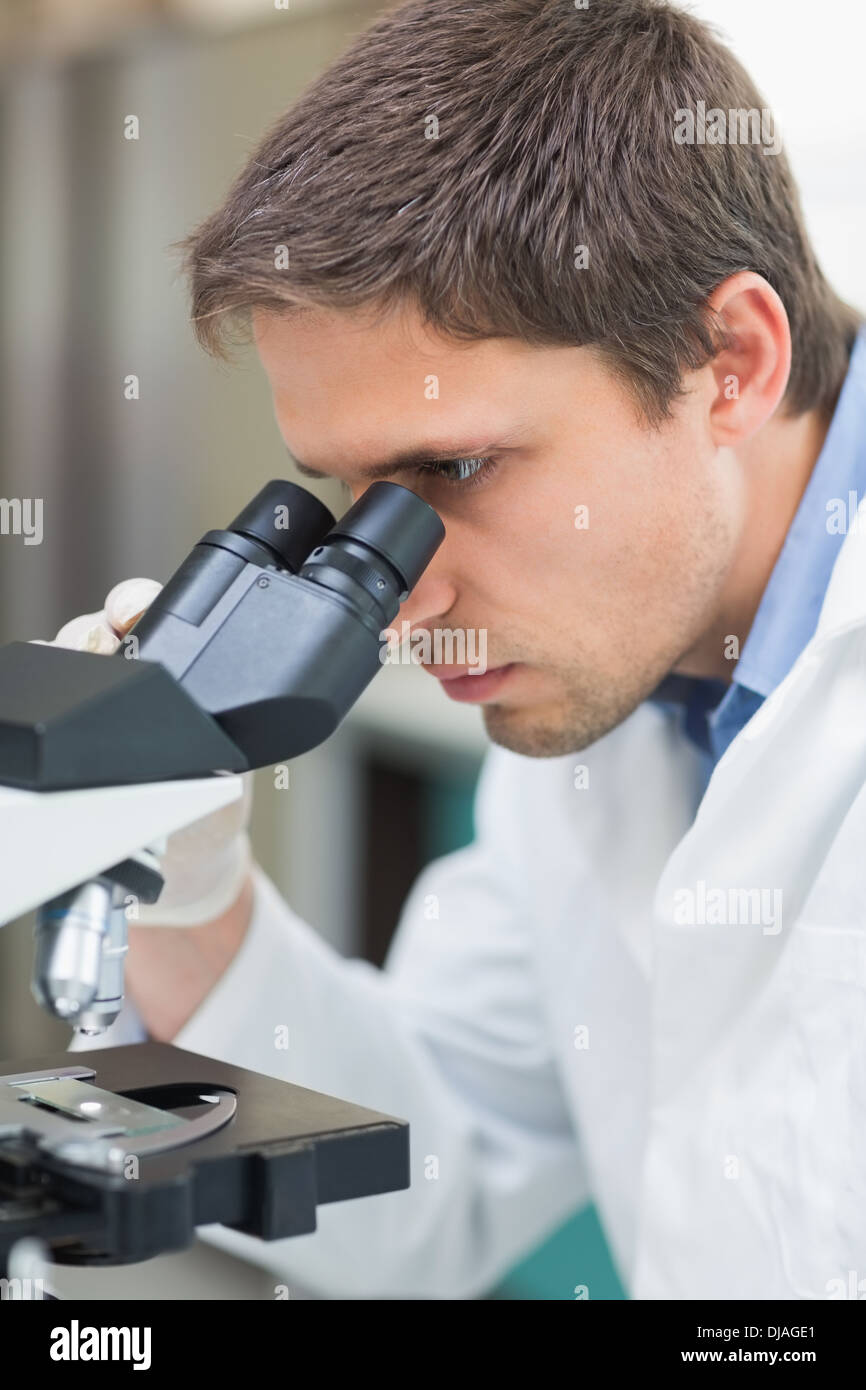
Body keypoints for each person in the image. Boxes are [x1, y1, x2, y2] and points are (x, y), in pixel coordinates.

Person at [47, 0, 866, 1299]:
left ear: (730, 362)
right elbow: (428, 1182)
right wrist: (195, 901)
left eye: (453, 469)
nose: (399, 603)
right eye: (346, 500)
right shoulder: (601, 709)